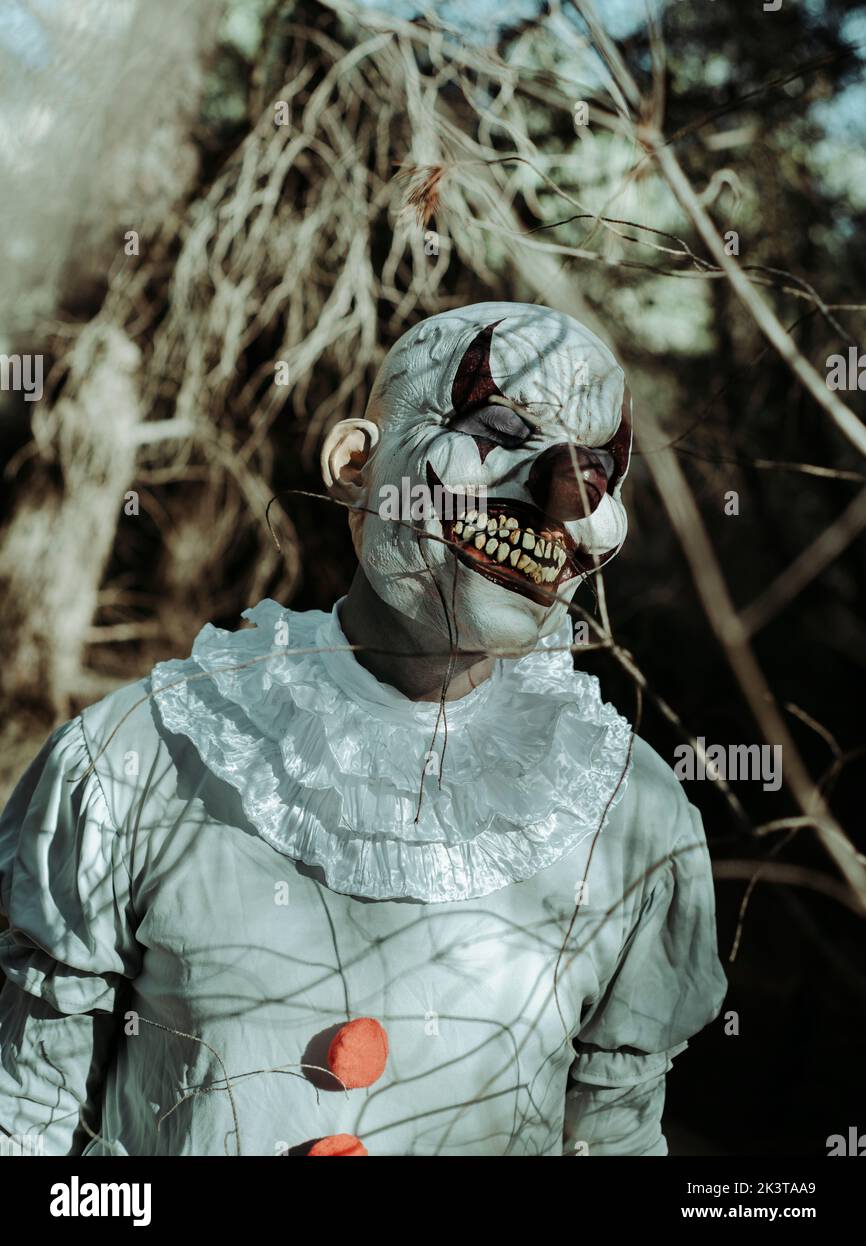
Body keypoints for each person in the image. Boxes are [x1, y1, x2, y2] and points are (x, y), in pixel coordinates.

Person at [0, 301, 726, 1156]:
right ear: (355, 465)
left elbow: (615, 1138)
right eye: (500, 427)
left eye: (600, 468)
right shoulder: (135, 758)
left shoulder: (632, 819)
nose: (572, 492)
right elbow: (28, 1114)